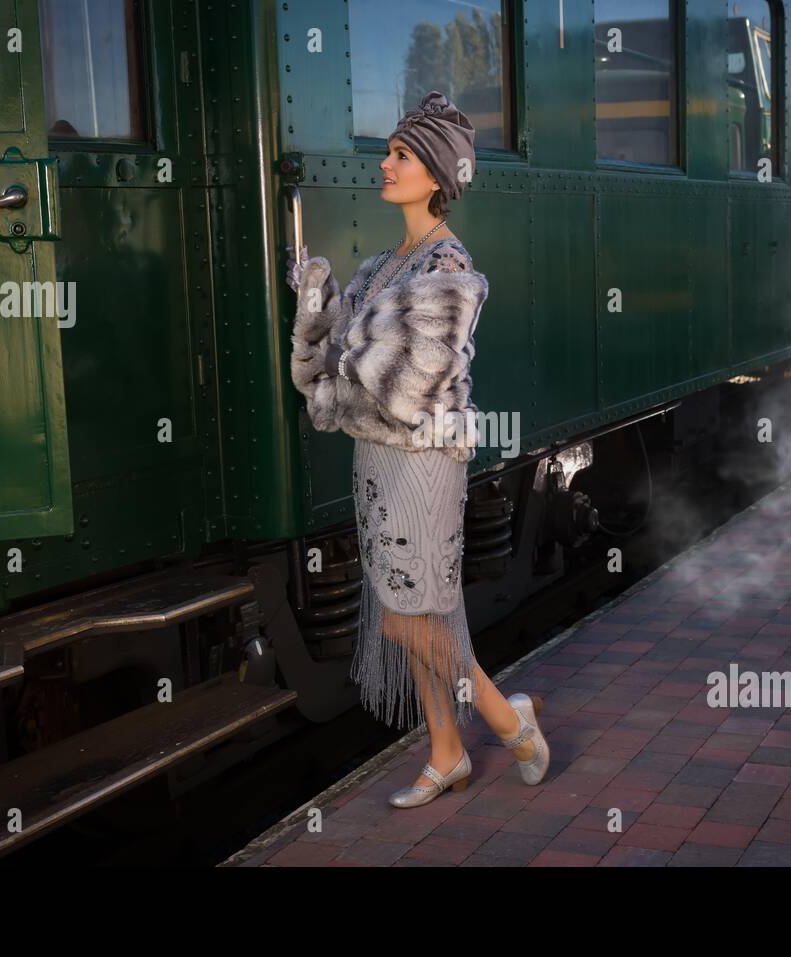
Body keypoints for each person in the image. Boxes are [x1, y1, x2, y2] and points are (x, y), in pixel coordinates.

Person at [286, 91, 550, 808]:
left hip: (424, 461)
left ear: (435, 174)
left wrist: (350, 347)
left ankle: (506, 718)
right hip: (378, 460)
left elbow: (399, 381)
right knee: (416, 618)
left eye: (401, 155)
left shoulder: (449, 267)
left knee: (409, 614)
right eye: (391, 152)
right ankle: (446, 749)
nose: (386, 162)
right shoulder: (380, 267)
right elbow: (334, 362)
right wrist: (319, 302)